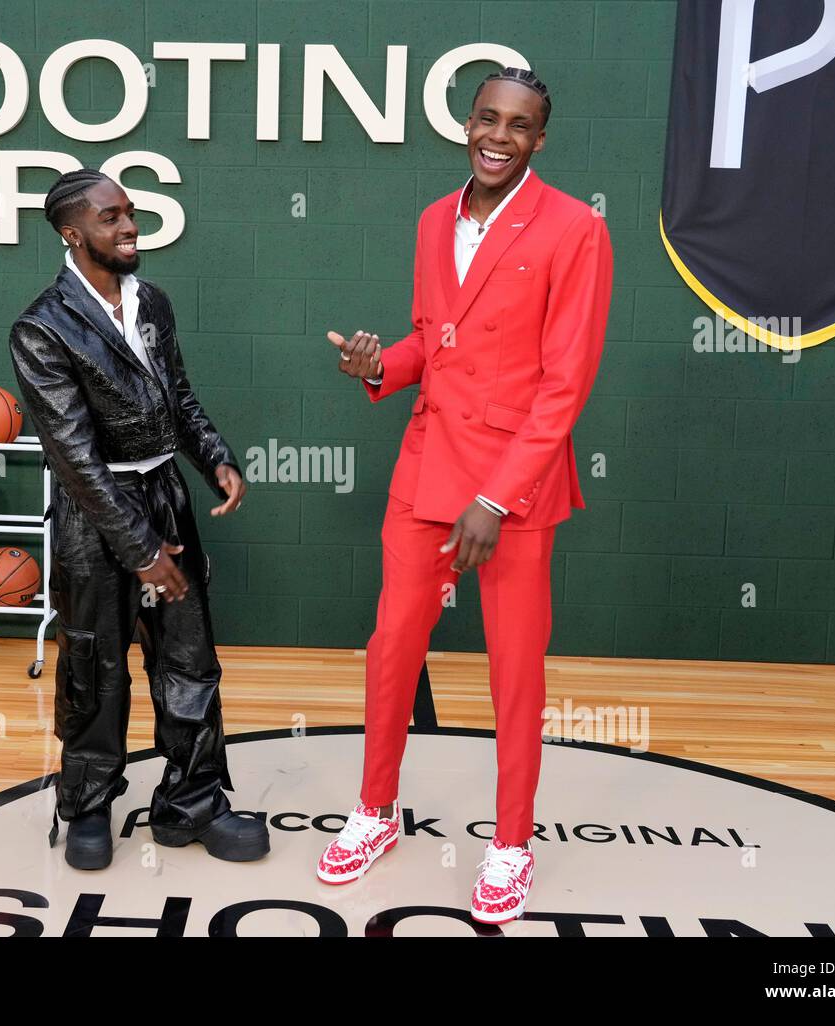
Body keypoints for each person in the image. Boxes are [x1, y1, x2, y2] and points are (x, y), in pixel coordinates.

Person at [317, 68, 614, 924]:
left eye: (519, 125)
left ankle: (512, 843)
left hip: (512, 488)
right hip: (425, 467)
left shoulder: (576, 228)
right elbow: (429, 343)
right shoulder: (430, 220)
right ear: (468, 123)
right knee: (390, 648)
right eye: (488, 117)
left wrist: (498, 497)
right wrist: (382, 367)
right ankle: (375, 813)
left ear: (539, 141)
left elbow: (565, 385)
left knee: (514, 671)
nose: (498, 135)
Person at [8, 168, 269, 869]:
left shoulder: (151, 300)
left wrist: (214, 455)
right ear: (73, 233)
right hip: (96, 519)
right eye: (110, 218)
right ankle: (89, 803)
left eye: (130, 213)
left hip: (165, 495)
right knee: (94, 665)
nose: (128, 227)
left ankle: (194, 802)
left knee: (189, 661)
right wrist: (143, 548)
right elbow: (77, 460)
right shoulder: (41, 328)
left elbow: (177, 395)